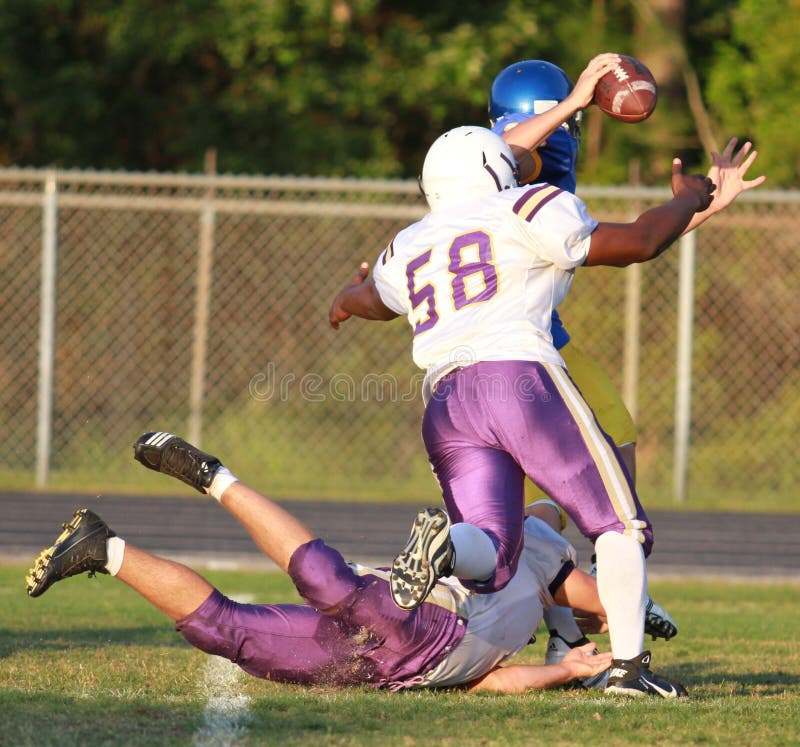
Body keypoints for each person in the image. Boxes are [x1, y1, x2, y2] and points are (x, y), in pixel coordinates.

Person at [328, 124, 717, 697]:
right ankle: (629, 671)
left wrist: (343, 301)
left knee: (496, 553)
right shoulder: (526, 205)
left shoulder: (407, 242)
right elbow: (637, 243)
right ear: (492, 169)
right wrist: (688, 198)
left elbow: (373, 302)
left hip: (445, 401)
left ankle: (447, 547)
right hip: (515, 379)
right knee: (619, 523)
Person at [485, 54, 765, 662]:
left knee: (559, 486)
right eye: (564, 118)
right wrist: (574, 100)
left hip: (525, 341)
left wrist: (700, 205)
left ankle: (569, 626)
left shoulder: (537, 178)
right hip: (517, 346)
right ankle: (609, 590)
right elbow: (507, 151)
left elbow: (632, 241)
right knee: (589, 478)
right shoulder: (509, 163)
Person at [25, 431, 616, 694]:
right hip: (427, 622)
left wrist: (567, 671)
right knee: (326, 582)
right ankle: (213, 477)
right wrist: (630, 614)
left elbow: (496, 683)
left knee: (224, 633)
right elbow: (602, 598)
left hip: (385, 672)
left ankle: (102, 549)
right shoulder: (538, 551)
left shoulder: (520, 623)